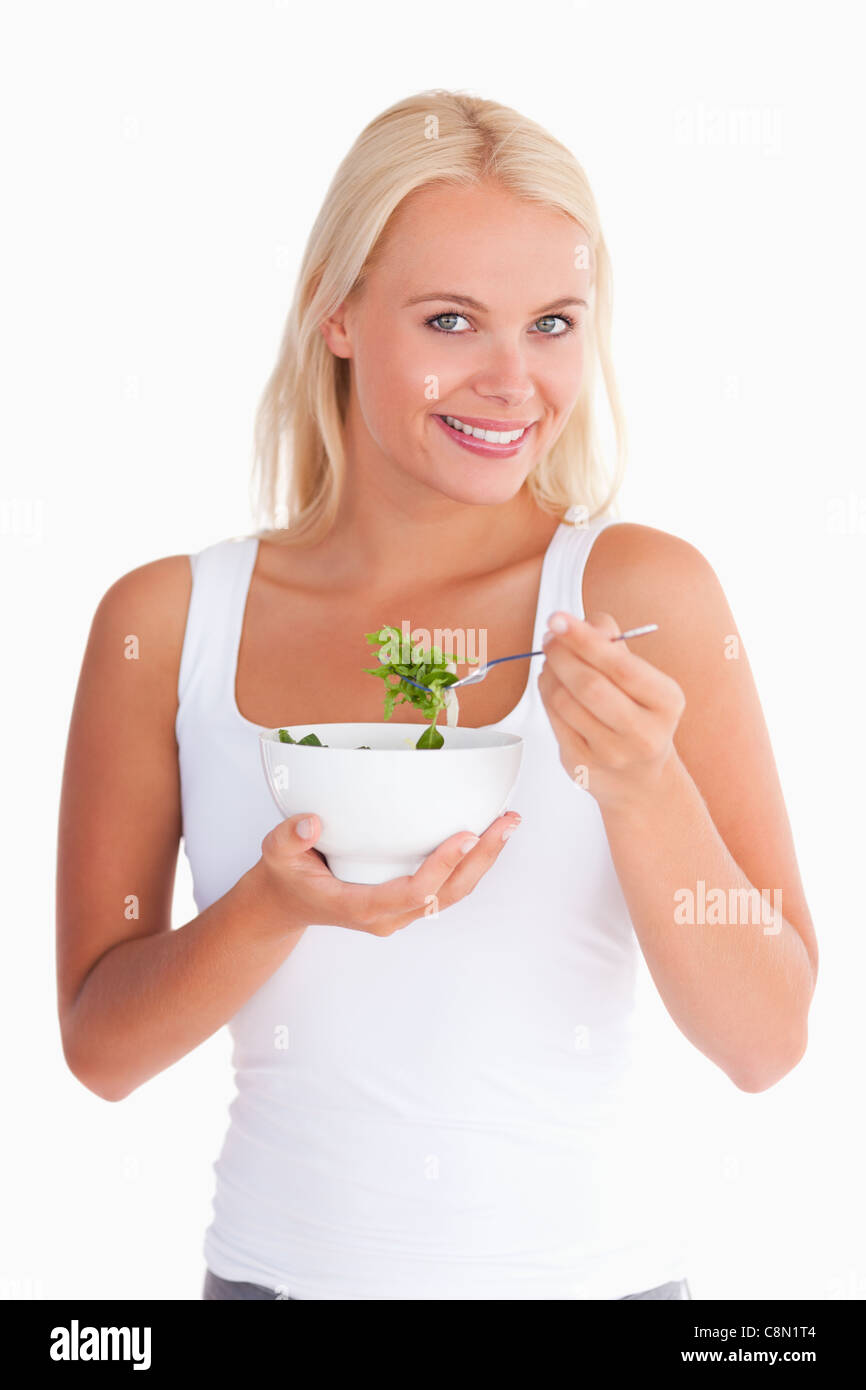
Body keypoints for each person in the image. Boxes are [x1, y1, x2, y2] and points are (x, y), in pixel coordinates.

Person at [56, 89, 818, 1301]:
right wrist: (270, 905)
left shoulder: (636, 593)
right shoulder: (165, 621)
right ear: (338, 312)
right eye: (452, 319)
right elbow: (99, 1049)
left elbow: (766, 1043)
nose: (511, 382)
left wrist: (641, 781)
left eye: (553, 323)